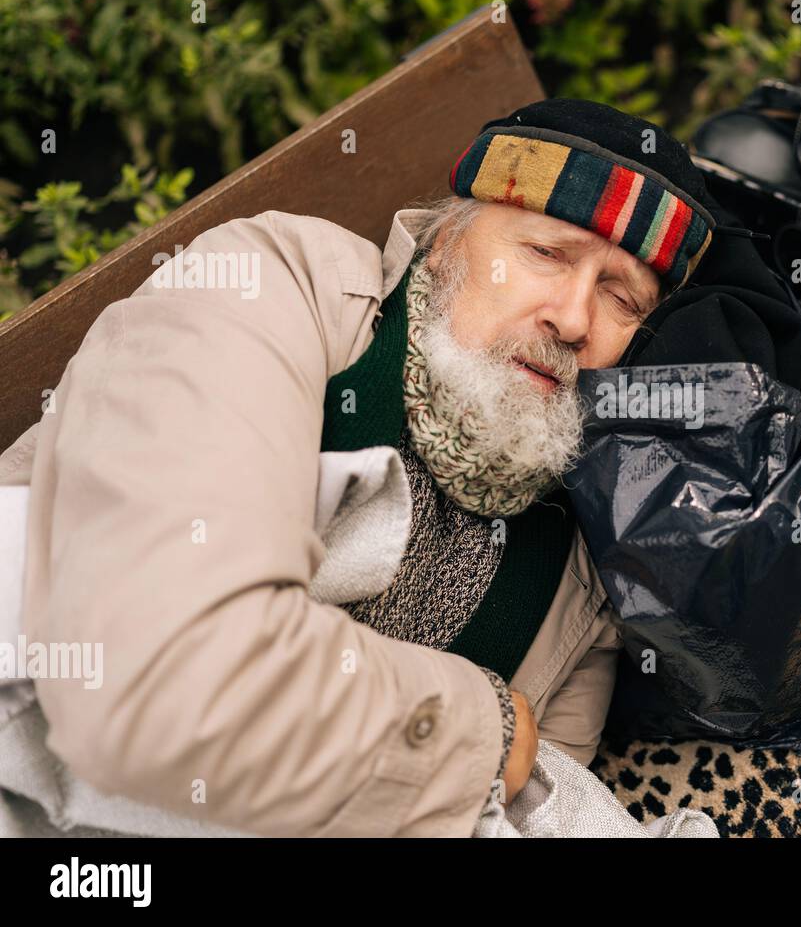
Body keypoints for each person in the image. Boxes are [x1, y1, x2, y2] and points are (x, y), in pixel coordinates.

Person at [0, 98, 717, 836]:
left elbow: (516, 817)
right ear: (448, 242)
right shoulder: (269, 287)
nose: (572, 320)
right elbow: (160, 674)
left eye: (621, 297)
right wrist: (486, 727)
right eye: (546, 254)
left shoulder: (579, 577)